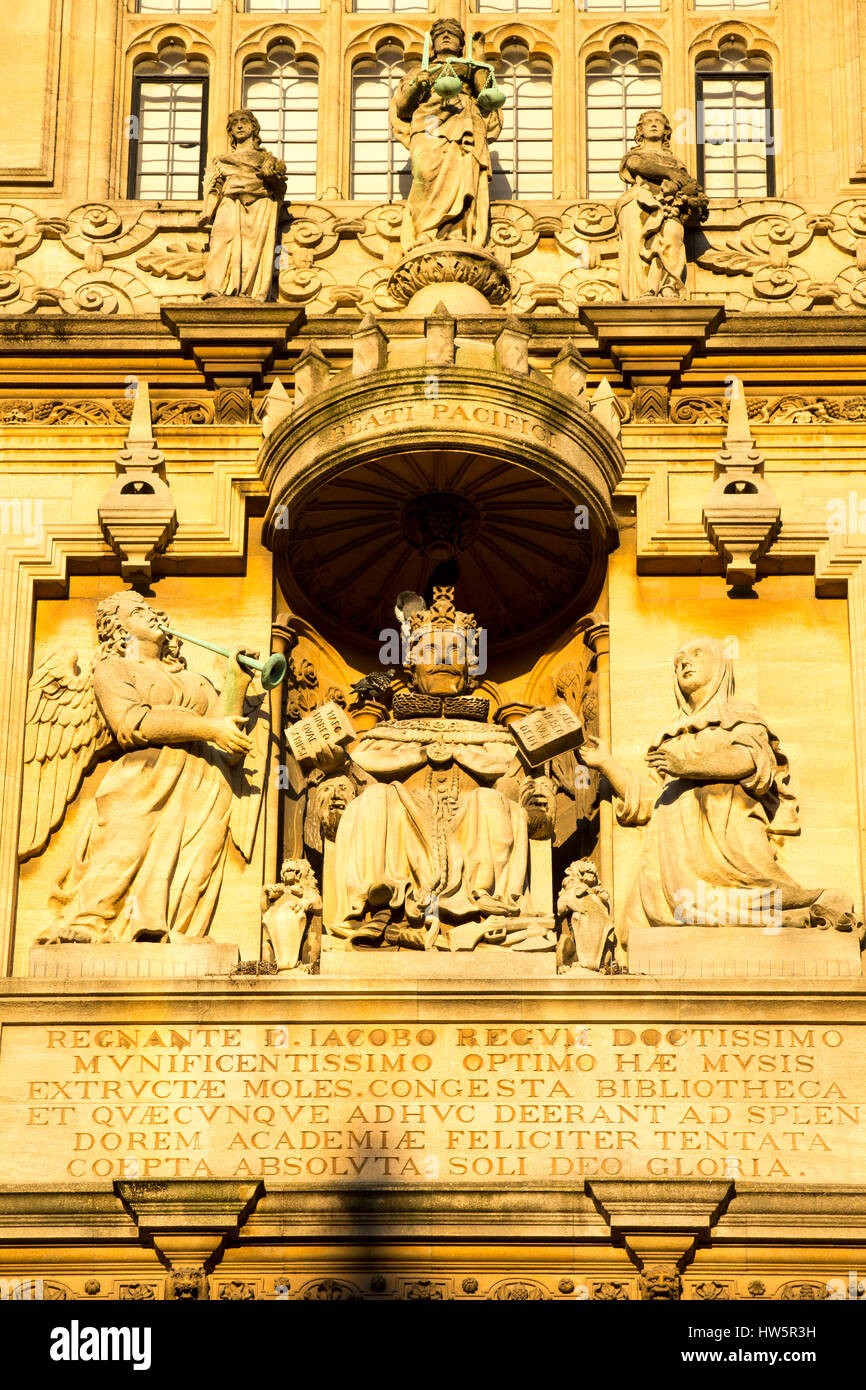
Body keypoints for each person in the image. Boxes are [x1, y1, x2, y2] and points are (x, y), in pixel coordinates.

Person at [579, 636, 860, 943]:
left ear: (719, 666)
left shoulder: (741, 715)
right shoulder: (670, 736)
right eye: (677, 661)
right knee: (679, 912)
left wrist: (684, 767)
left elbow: (749, 761)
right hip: (676, 852)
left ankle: (812, 909)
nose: (684, 662)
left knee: (757, 895)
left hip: (730, 838)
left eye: (696, 654)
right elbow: (648, 797)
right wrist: (605, 763)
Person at [41, 591, 258, 943]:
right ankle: (89, 923)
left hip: (203, 787)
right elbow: (131, 722)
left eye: (152, 609)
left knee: (193, 869)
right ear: (117, 628)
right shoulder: (115, 669)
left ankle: (163, 931)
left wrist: (237, 680)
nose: (152, 614)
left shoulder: (196, 680)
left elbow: (227, 739)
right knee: (127, 848)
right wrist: (207, 728)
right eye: (138, 611)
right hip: (143, 779)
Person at [390, 20, 502, 253]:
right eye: (441, 34)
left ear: (462, 43)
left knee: (462, 171)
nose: (446, 37)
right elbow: (402, 108)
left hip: (464, 121)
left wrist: (480, 58)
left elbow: (486, 95)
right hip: (430, 122)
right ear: (433, 43)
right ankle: (425, 230)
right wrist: (416, 86)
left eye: (452, 34)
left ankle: (454, 231)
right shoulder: (418, 70)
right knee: (424, 169)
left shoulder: (469, 67)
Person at [616, 109, 708, 300]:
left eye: (658, 121)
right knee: (639, 244)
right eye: (648, 121)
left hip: (670, 204)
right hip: (640, 201)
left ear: (666, 130)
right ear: (640, 130)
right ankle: (644, 290)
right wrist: (669, 173)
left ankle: (669, 285)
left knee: (672, 239)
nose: (653, 124)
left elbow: (687, 182)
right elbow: (637, 166)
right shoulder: (635, 155)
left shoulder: (675, 160)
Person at [199, 109, 287, 300]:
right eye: (234, 124)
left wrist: (270, 176)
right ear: (230, 131)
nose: (239, 126)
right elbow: (215, 187)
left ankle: (249, 290)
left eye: (244, 122)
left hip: (259, 204)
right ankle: (216, 287)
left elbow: (279, 188)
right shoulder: (221, 160)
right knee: (220, 239)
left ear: (253, 128)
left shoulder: (267, 159)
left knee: (251, 250)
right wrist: (207, 211)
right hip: (229, 202)